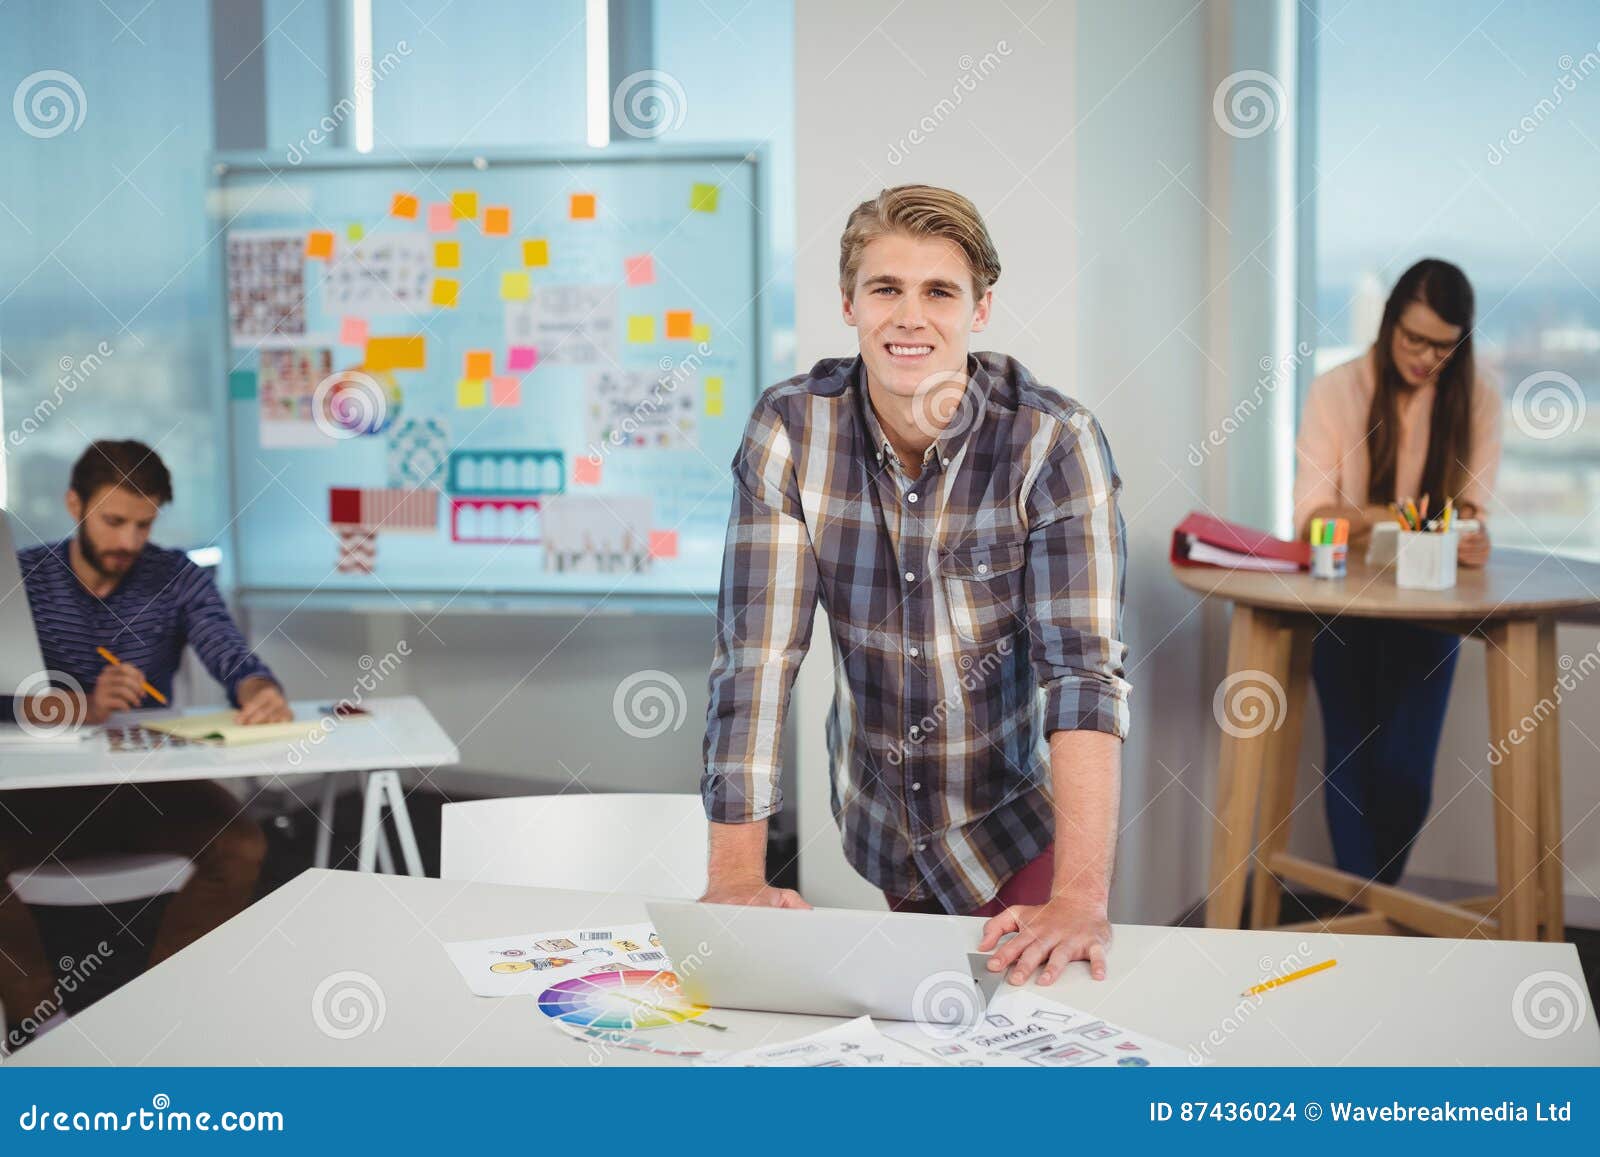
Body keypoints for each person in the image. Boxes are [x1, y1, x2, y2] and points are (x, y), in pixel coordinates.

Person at [698, 186, 1130, 986]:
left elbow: (1083, 677)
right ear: (848, 304)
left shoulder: (1051, 442)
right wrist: (735, 877)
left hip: (1020, 827)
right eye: (885, 289)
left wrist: (1078, 896)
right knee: (929, 1035)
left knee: (1027, 1036)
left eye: (939, 291)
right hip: (885, 826)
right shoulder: (790, 429)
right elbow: (755, 663)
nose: (910, 316)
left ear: (981, 308)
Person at [0, 440, 291, 1049]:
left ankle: (160, 1008)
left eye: (144, 523)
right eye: (113, 521)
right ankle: (41, 1024)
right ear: (74, 504)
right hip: (40, 792)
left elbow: (227, 651)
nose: (130, 541)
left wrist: (257, 686)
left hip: (148, 786)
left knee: (240, 846)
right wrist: (76, 704)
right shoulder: (22, 577)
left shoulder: (175, 576)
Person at [1293, 258, 1501, 885]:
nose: (1426, 357)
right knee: (1348, 764)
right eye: (1414, 339)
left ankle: (1375, 907)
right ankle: (1369, 916)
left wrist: (1471, 539)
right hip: (1343, 606)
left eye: (1444, 345)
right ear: (1388, 326)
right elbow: (1310, 522)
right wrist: (1402, 518)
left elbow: (1472, 513)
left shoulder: (1480, 399)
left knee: (1406, 770)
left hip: (1431, 611)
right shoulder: (1337, 388)